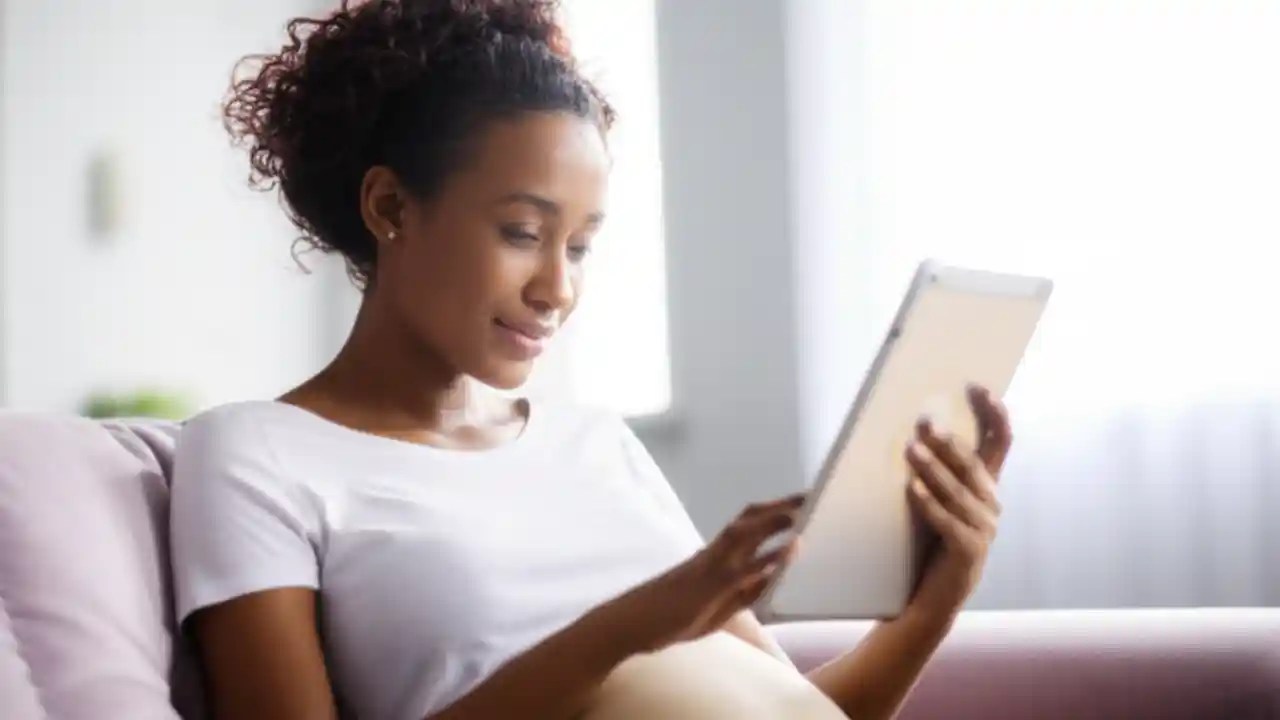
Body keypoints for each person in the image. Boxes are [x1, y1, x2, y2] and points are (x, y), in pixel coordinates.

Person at [169, 1, 1017, 718]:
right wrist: (627, 629)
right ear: (390, 205)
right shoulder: (256, 456)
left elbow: (799, 709)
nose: (557, 289)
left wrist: (936, 600)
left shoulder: (598, 446)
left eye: (579, 247)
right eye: (523, 234)